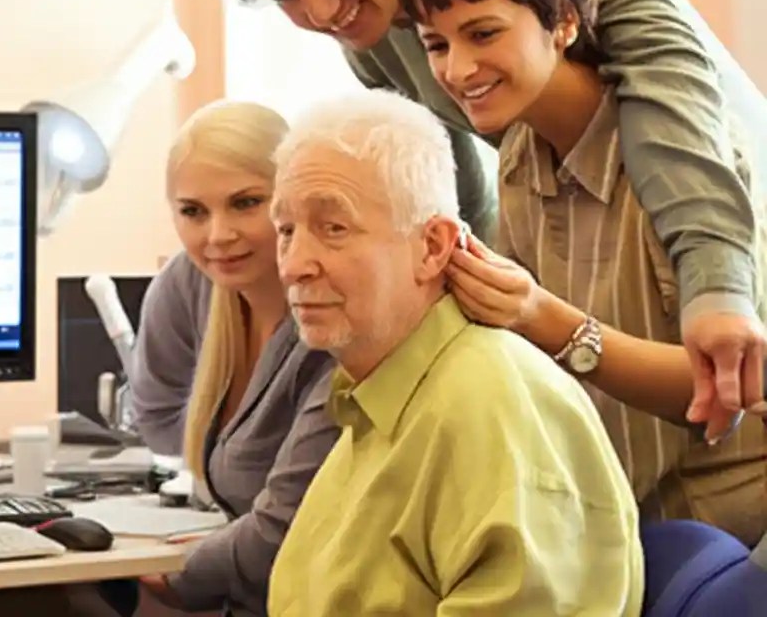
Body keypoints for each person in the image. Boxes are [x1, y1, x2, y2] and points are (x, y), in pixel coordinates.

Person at [199, 0, 767, 435]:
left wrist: (715, 287)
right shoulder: (511, 160)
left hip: (704, 192)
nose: (319, 12)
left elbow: (663, 53)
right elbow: (447, 189)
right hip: (574, 214)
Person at [398, 0, 767, 546]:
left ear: (564, 24)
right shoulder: (518, 156)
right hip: (604, 523)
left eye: (483, 34)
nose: (457, 70)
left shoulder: (680, 165)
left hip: (722, 536)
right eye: (437, 44)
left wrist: (548, 321)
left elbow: (724, 390)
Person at [265, 90, 643, 616]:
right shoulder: (378, 395)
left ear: (433, 247)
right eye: (286, 231)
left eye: (334, 228)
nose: (294, 265)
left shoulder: (488, 401)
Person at [127, 101, 338, 616]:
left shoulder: (335, 314)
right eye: (193, 212)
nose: (217, 236)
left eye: (245, 203)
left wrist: (195, 569)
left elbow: (287, 531)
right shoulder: (189, 280)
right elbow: (154, 416)